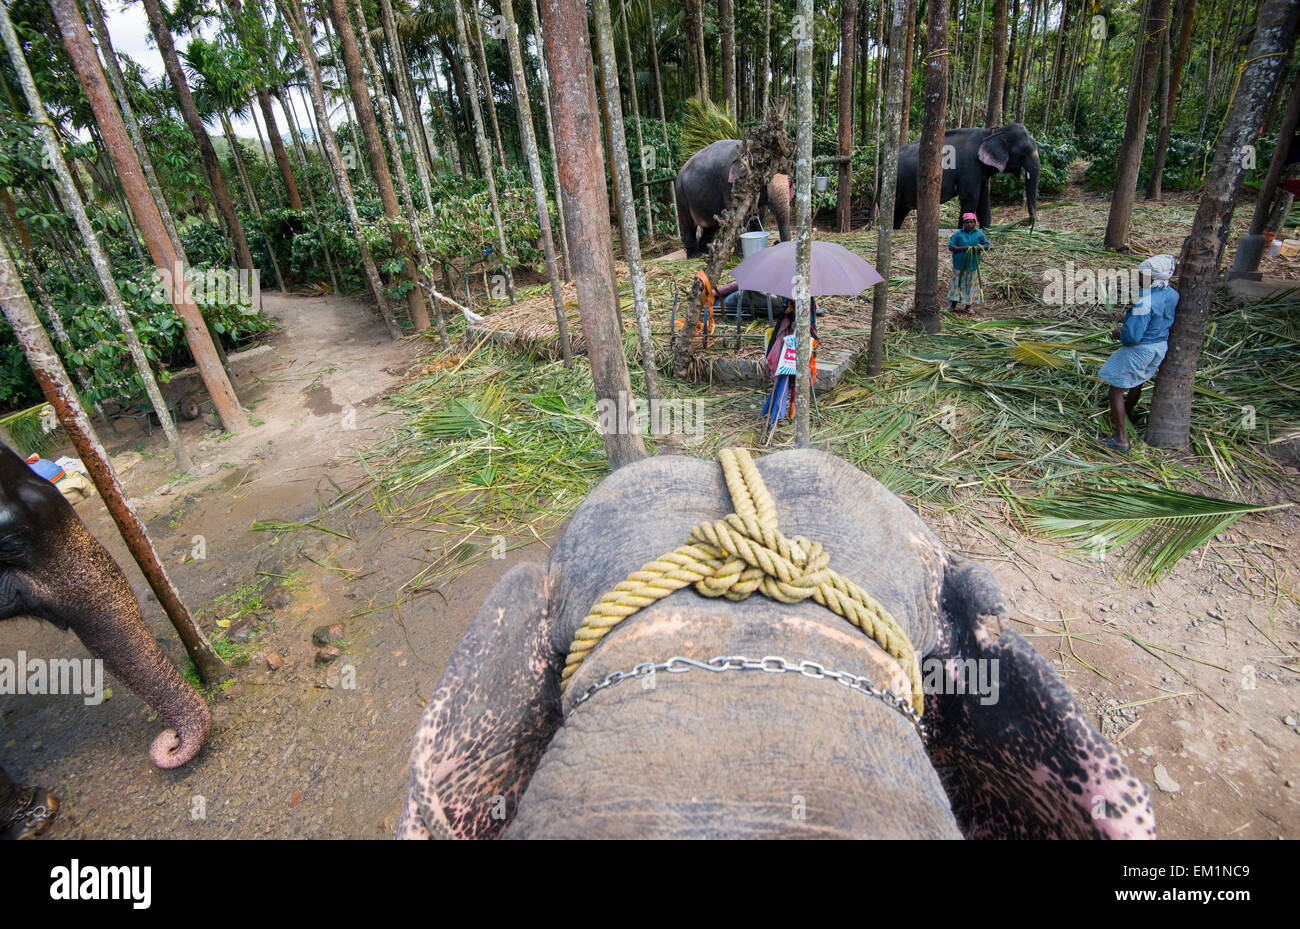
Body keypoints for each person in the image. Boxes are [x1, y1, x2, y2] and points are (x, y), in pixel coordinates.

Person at [1097, 254, 1179, 452]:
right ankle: (1127, 413)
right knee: (1136, 382)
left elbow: (1132, 337)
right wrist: (1124, 317)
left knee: (1115, 389)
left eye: (1142, 274)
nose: (1138, 276)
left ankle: (1121, 439)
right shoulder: (1171, 294)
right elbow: (1155, 318)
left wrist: (1118, 334)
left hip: (1140, 349)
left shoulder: (1144, 302)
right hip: (1159, 347)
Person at [947, 212, 991, 313]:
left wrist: (979, 247)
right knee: (957, 284)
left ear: (975, 223)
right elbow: (951, 247)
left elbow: (986, 245)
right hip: (959, 265)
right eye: (967, 222)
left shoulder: (979, 234)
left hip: (972, 265)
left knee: (971, 285)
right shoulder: (958, 234)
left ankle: (968, 306)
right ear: (964, 223)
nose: (969, 224)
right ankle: (953, 305)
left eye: (972, 222)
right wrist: (964, 248)